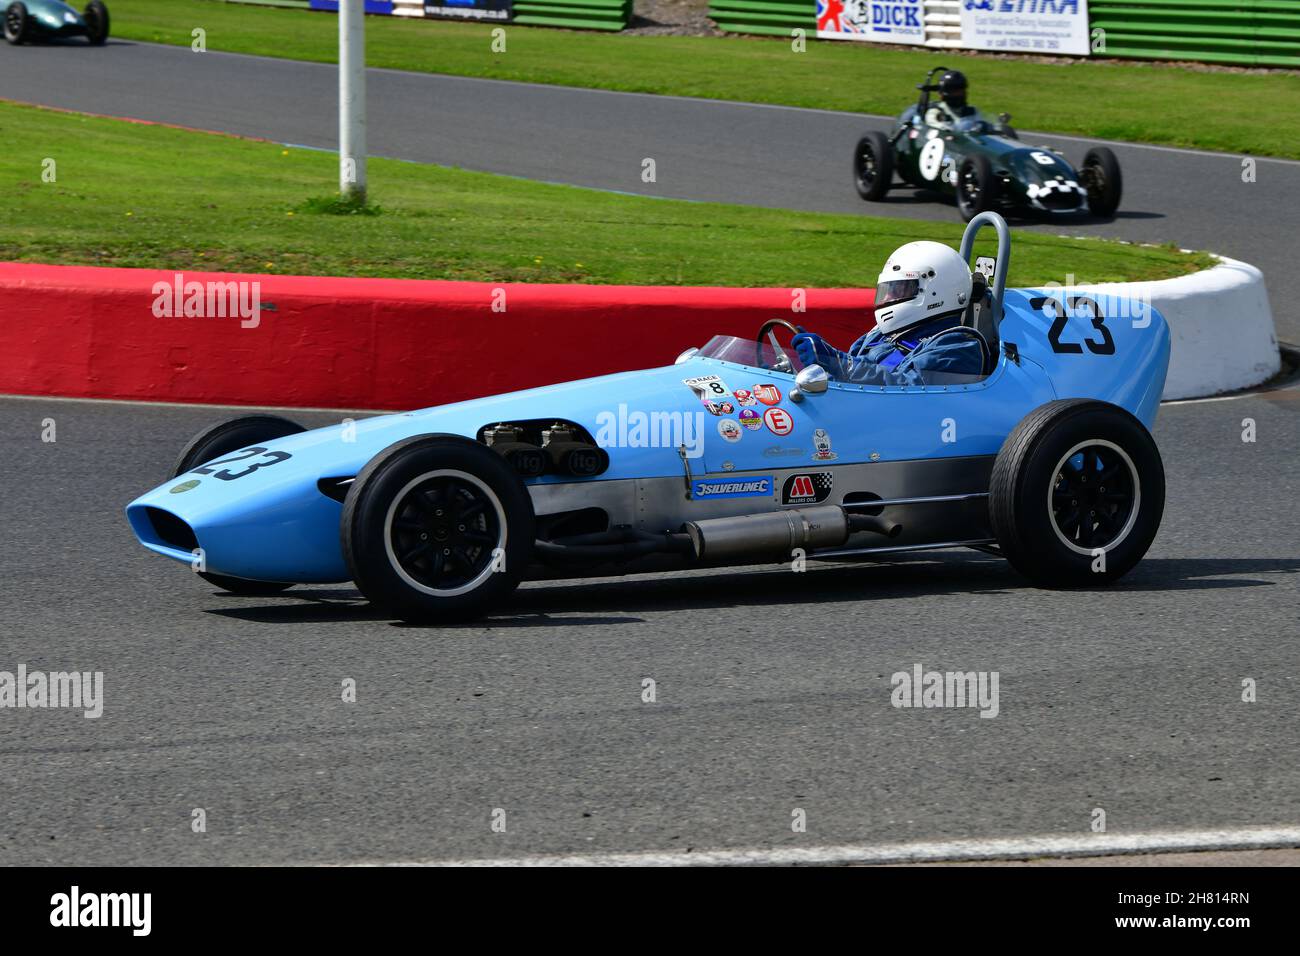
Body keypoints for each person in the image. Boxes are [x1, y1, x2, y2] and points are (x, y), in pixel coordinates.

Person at [791, 240, 988, 387]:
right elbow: (851, 380)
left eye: (899, 289)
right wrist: (823, 364)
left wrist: (840, 364)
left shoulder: (958, 347)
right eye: (888, 289)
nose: (887, 298)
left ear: (936, 292)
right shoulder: (880, 335)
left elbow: (905, 389)